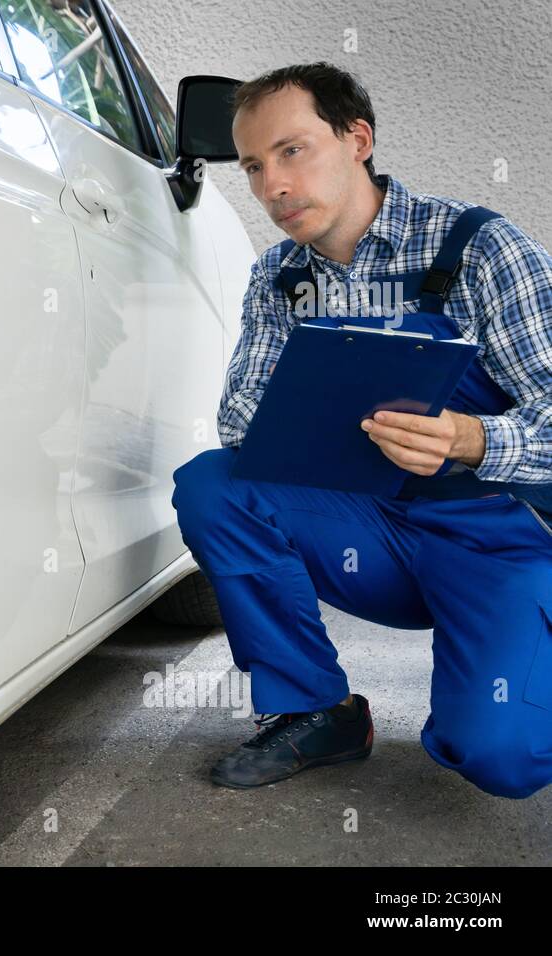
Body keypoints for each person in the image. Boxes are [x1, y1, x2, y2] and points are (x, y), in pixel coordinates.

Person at [171, 62, 552, 798]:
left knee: (497, 753)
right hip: (371, 528)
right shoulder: (281, 278)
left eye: (292, 151)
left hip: (496, 537)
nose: (270, 186)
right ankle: (318, 709)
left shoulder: (478, 247)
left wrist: (471, 438)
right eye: (252, 167)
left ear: (357, 139)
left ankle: (521, 652)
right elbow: (240, 425)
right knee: (214, 486)